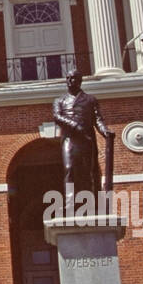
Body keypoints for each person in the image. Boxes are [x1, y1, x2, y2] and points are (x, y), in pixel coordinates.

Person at [52, 71, 112, 201]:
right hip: (69, 138)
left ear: (79, 81)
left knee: (88, 171)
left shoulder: (90, 99)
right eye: (67, 78)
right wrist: (74, 125)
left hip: (86, 138)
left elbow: (98, 119)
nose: (69, 81)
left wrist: (105, 131)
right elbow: (57, 117)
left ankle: (88, 202)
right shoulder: (60, 100)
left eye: (72, 78)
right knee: (70, 167)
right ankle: (70, 203)